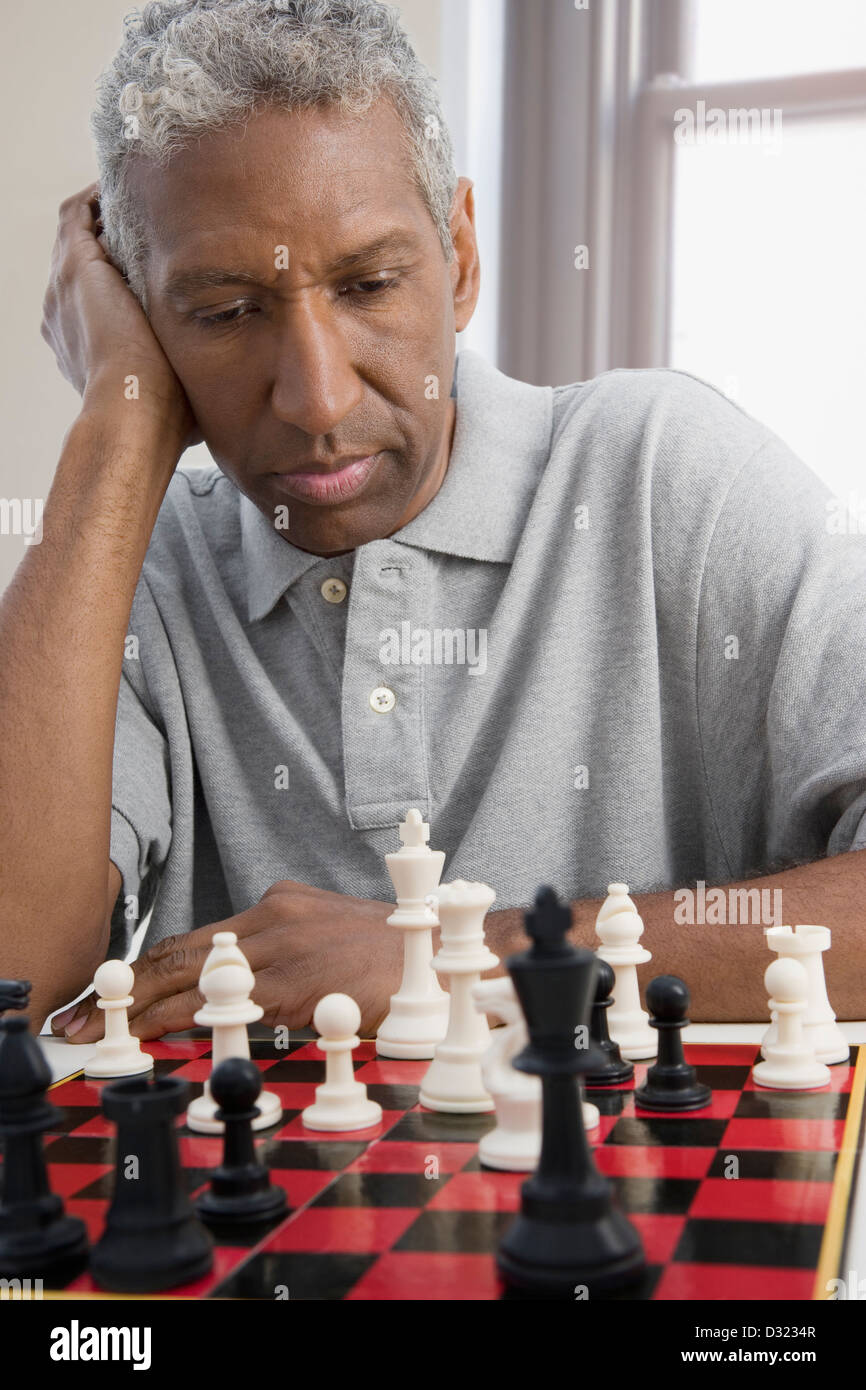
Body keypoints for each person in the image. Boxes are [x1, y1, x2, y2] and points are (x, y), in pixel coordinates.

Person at [1, 0, 864, 1040]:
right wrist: (116, 427)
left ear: (457, 255)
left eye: (367, 283)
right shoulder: (129, 571)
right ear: (140, 320)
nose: (315, 401)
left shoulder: (663, 478)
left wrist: (448, 957)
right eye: (223, 313)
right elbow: (12, 978)